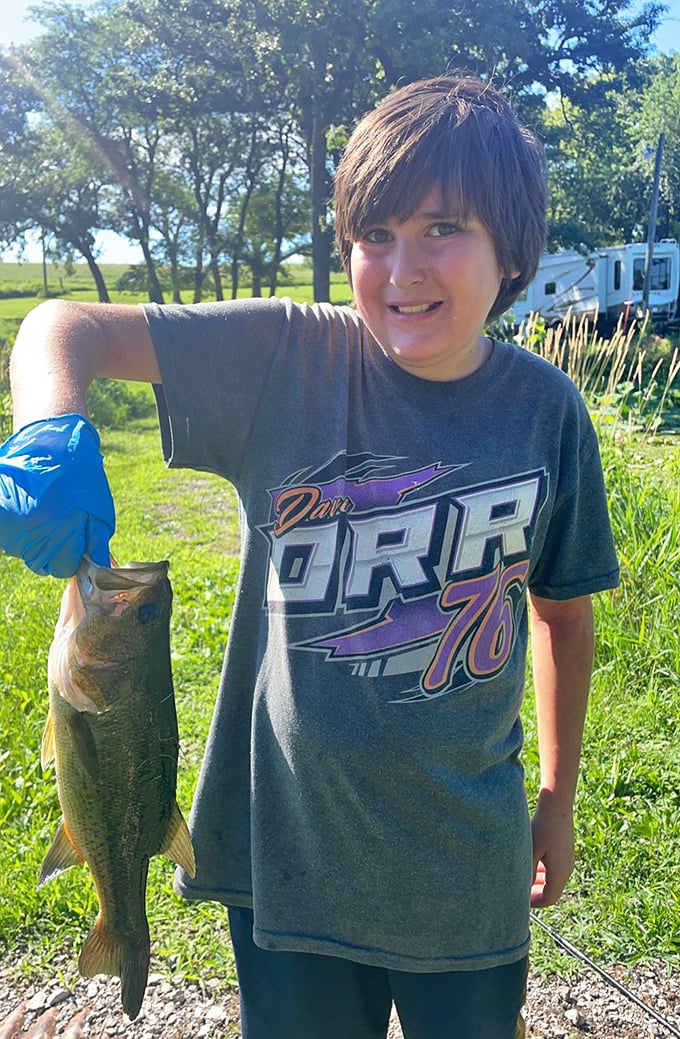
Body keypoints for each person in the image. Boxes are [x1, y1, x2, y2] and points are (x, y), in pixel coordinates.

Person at [0, 76, 619, 1039]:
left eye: (441, 227)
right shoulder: (287, 356)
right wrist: (50, 428)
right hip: (287, 863)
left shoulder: (548, 413)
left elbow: (562, 613)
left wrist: (558, 800)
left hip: (466, 862)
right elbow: (58, 326)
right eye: (374, 235)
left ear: (514, 249)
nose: (401, 268)